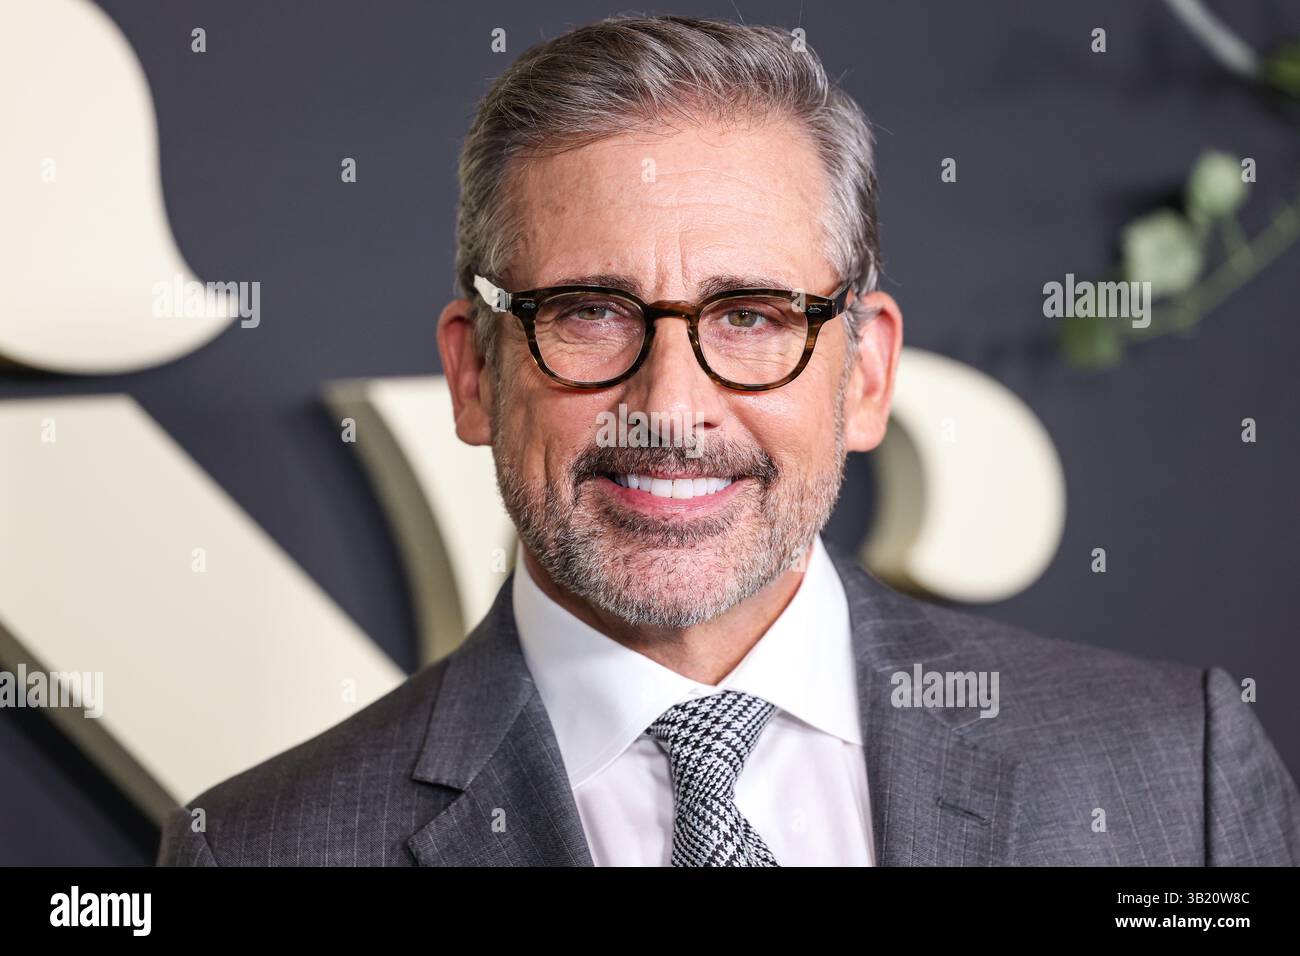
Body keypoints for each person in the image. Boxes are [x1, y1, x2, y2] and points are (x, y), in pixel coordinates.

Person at [158, 14, 1300, 867]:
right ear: (475, 372)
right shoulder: (261, 849)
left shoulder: (1171, 777)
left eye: (750, 316)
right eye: (589, 312)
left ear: (863, 373)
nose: (671, 404)